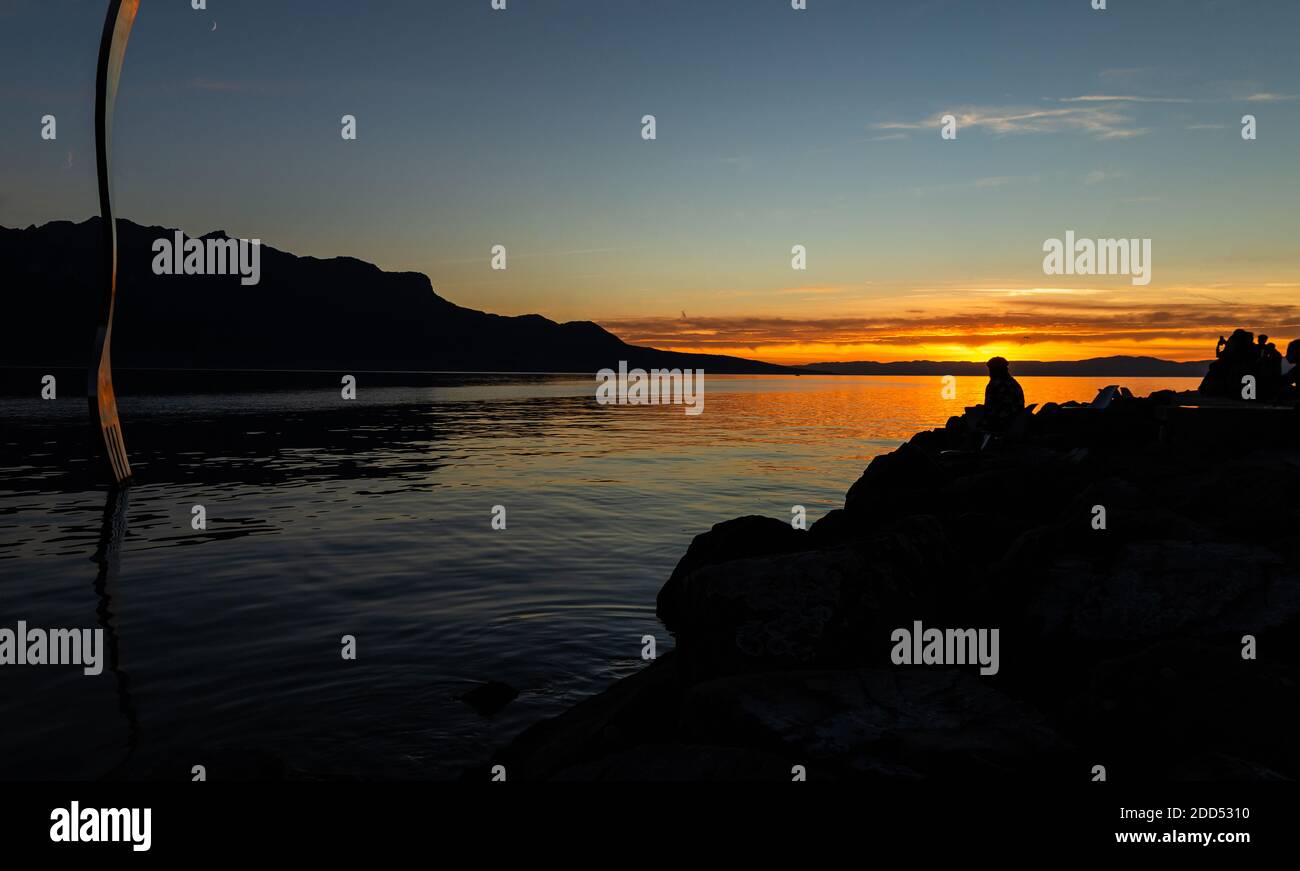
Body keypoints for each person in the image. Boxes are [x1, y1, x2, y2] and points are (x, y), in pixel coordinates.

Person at [983, 356, 1025, 432]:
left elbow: (990, 407)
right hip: (1016, 420)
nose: (989, 372)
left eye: (991, 369)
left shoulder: (995, 384)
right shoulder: (1013, 382)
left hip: (1003, 422)